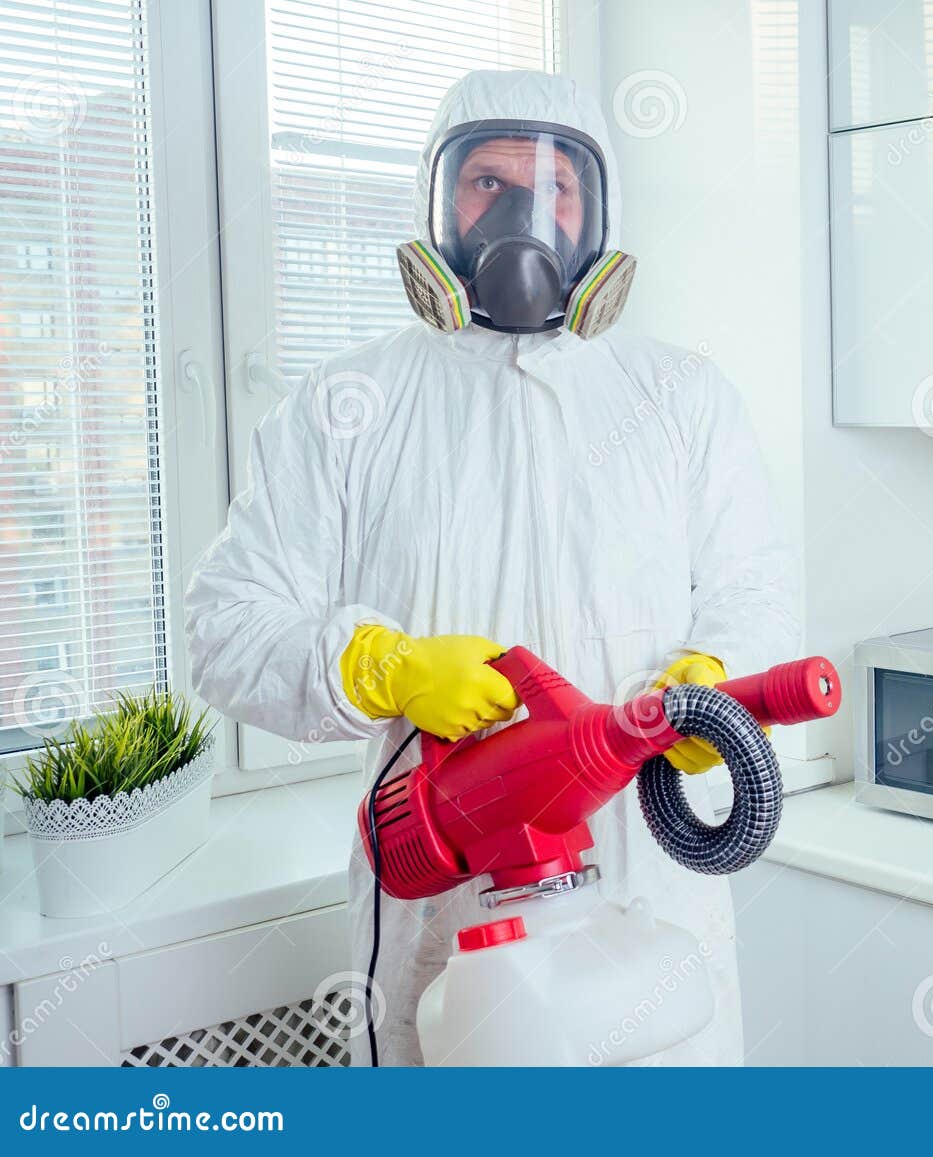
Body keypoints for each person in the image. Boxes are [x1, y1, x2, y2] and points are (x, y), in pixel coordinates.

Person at [184, 70, 798, 1066]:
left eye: (556, 187)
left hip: (653, 889)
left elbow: (758, 592)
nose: (523, 214)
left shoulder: (682, 399)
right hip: (442, 906)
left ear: (597, 217)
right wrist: (373, 666)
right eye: (487, 183)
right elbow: (225, 624)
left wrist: (717, 678)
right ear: (438, 203)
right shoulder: (349, 407)